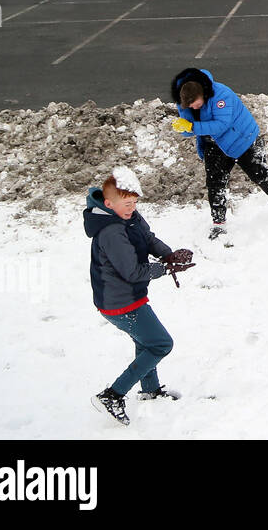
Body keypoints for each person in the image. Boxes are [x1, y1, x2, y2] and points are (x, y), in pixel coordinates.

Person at [85, 167, 194, 426]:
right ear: (109, 203)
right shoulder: (110, 231)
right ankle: (113, 395)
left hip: (129, 297)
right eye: (126, 203)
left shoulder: (129, 216)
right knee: (160, 344)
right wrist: (164, 269)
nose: (132, 208)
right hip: (119, 302)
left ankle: (150, 390)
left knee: (146, 341)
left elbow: (147, 238)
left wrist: (168, 255)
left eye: (135, 202)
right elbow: (133, 272)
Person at [170, 67, 268, 239]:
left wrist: (192, 127)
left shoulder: (221, 95)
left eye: (195, 104)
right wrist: (184, 128)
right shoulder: (186, 98)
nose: (192, 107)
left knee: (261, 175)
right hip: (214, 144)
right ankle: (219, 224)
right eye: (189, 105)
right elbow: (189, 124)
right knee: (215, 184)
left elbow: (222, 124)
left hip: (242, 139)